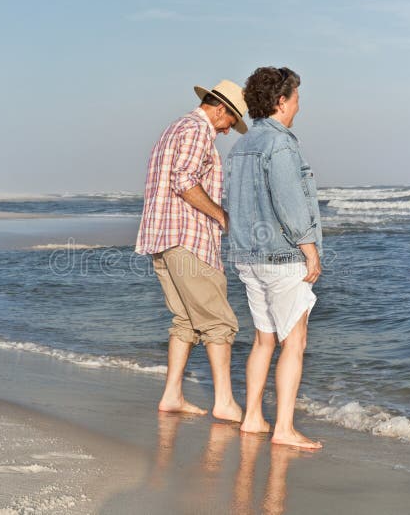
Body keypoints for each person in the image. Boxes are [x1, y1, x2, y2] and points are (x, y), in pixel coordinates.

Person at [135, 79, 248, 421]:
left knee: (185, 319)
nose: (228, 131)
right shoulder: (199, 131)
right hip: (188, 238)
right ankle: (225, 402)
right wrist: (222, 215)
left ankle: (172, 395)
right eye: (231, 121)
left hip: (161, 237)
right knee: (218, 322)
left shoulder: (173, 129)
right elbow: (184, 181)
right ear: (220, 109)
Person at [225, 67, 323, 449]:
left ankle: (252, 418)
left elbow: (232, 202)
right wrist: (310, 251)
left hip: (248, 256)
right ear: (281, 101)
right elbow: (290, 203)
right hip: (282, 257)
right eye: (296, 97)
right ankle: (283, 427)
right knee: (294, 341)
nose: (300, 105)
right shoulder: (280, 145)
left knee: (264, 339)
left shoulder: (240, 146)